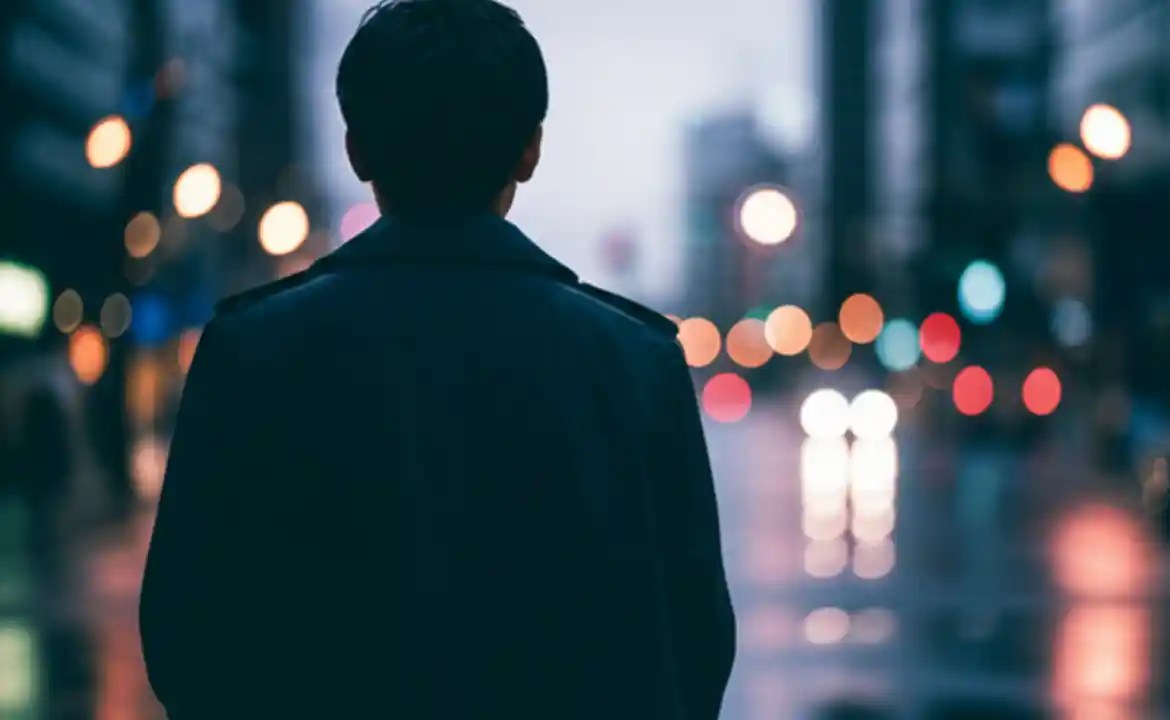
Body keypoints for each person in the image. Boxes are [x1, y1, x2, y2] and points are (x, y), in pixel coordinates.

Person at [138, 1, 736, 717]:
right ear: (529, 149)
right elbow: (697, 640)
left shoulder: (250, 349)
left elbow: (186, 631)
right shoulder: (638, 361)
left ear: (358, 149)